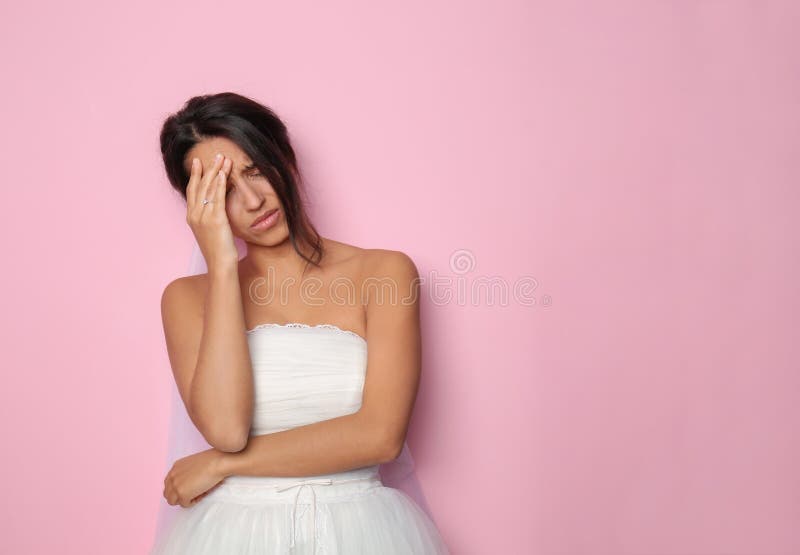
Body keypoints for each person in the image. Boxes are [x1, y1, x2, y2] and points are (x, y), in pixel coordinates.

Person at [150, 92, 450, 554]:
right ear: (198, 207)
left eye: (254, 171)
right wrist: (223, 267)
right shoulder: (186, 299)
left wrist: (219, 466)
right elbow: (227, 430)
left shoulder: (385, 274)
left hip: (362, 532)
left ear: (284, 158)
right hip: (233, 537)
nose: (252, 201)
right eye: (224, 191)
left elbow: (381, 435)